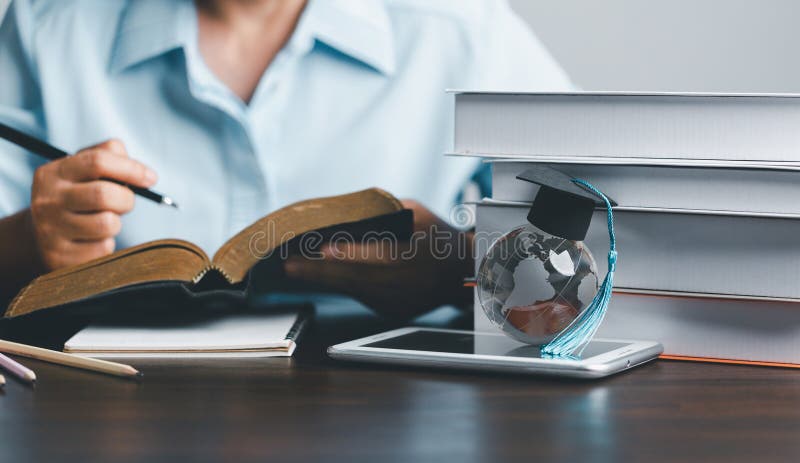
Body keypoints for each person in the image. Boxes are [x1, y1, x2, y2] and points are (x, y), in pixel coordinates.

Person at [0, 0, 571, 318]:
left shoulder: (467, 34)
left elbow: (605, 237)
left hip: (399, 401)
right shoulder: (45, 26)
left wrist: (461, 271)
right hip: (105, 406)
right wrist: (30, 239)